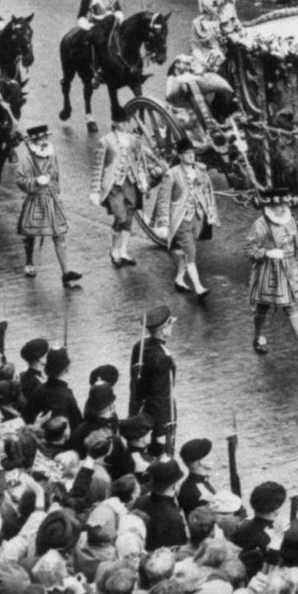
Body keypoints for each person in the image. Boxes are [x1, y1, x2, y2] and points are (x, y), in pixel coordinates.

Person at [246, 191, 298, 358]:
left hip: (288, 269)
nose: (285, 205)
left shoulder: (290, 220)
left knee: (292, 305)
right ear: (273, 203)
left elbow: (296, 244)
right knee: (262, 307)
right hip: (268, 270)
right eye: (281, 202)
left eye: (286, 201)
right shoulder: (261, 224)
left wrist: (295, 262)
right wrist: (267, 253)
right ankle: (258, 337)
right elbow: (249, 249)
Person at [14, 126, 82, 289]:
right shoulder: (27, 161)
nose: (45, 142)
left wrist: (57, 192)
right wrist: (36, 181)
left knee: (59, 236)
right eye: (41, 139)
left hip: (52, 201)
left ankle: (66, 273)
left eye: (46, 138)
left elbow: (56, 177)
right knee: (31, 234)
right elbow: (20, 180)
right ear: (34, 141)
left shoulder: (52, 156)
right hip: (35, 201)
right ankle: (29, 262)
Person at [91, 116, 161, 269]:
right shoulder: (105, 141)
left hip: (130, 182)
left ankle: (123, 251)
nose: (125, 125)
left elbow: (143, 153)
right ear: (115, 123)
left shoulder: (132, 139)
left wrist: (157, 160)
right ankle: (114, 250)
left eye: (127, 122)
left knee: (128, 217)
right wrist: (95, 190)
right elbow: (97, 167)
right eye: (122, 122)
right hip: (114, 184)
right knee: (120, 216)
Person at [163, 140, 217, 297]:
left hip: (198, 217)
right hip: (181, 218)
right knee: (190, 251)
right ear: (180, 156)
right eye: (187, 154)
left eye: (192, 153)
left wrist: (211, 211)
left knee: (189, 250)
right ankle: (198, 287)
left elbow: (208, 192)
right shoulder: (171, 174)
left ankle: (179, 279)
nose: (191, 156)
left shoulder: (200, 171)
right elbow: (163, 199)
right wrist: (163, 221)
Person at [128, 304, 179, 453]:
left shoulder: (140, 345)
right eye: (170, 325)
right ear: (162, 330)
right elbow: (161, 397)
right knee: (163, 455)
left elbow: (135, 383)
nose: (172, 328)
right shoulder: (163, 358)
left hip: (140, 410)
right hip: (160, 416)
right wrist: (163, 430)